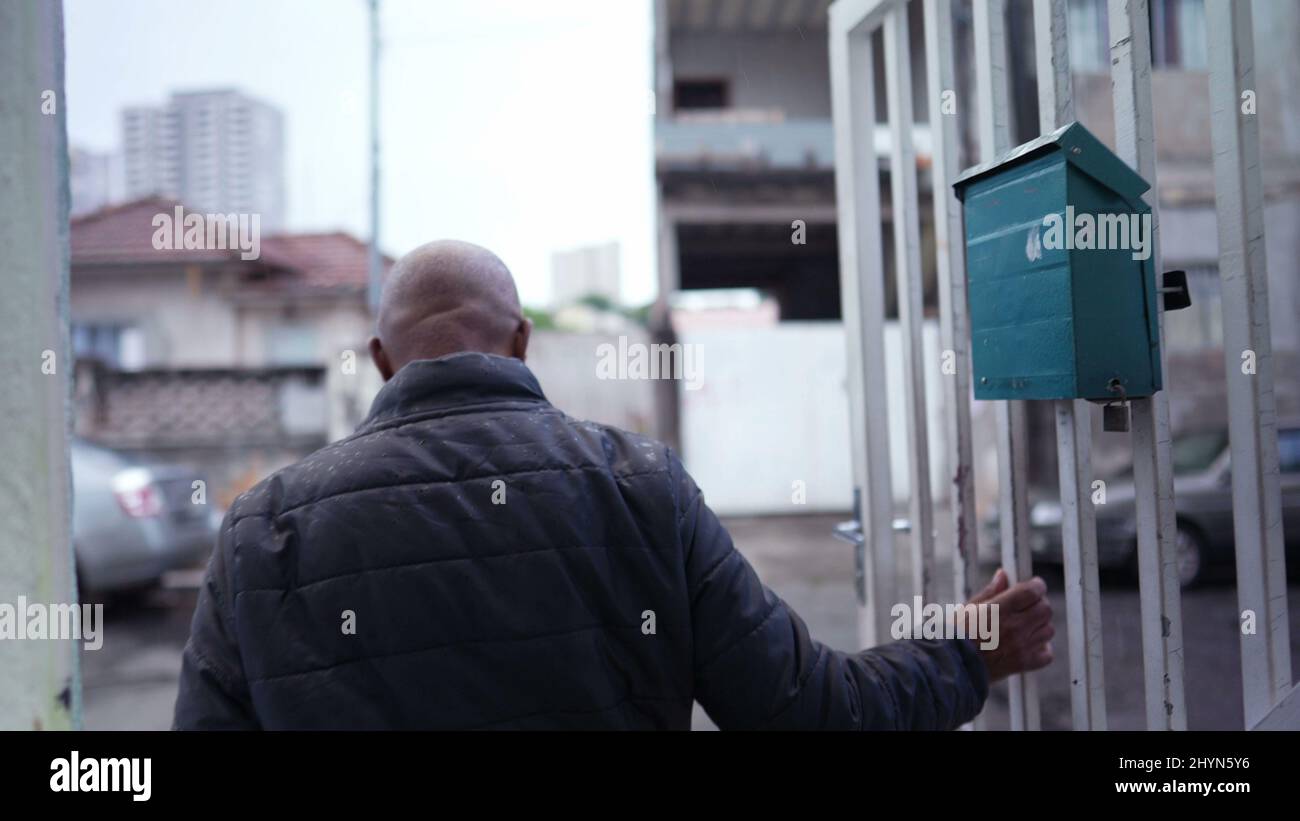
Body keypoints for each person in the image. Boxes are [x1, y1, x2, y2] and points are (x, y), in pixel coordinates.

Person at [174, 239, 1053, 730]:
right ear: (522, 341)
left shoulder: (261, 531)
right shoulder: (640, 486)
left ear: (379, 360)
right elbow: (807, 711)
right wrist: (964, 652)